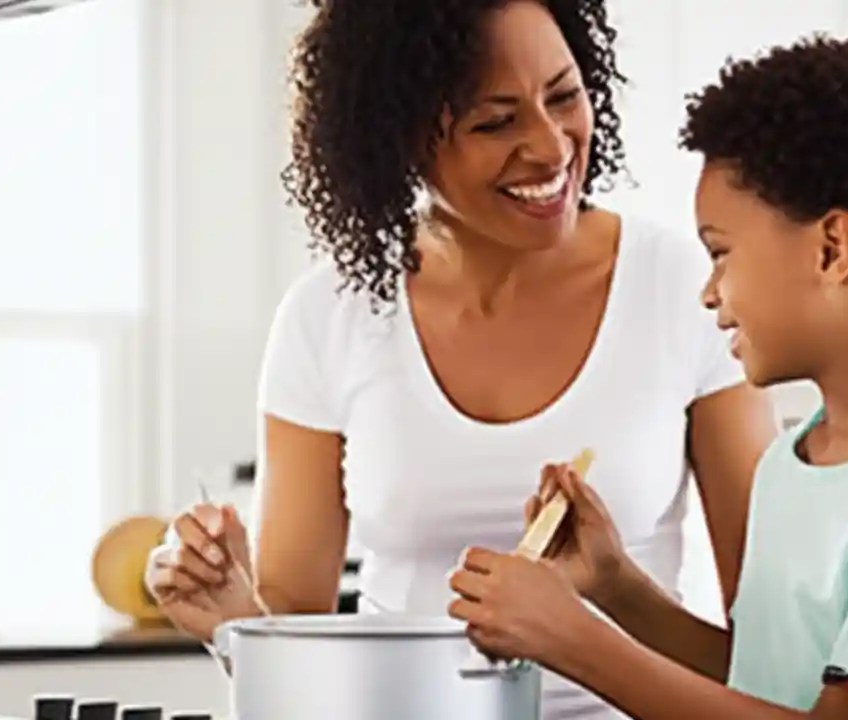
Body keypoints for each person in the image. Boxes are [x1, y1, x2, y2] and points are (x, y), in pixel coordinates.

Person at [143, 0, 777, 717]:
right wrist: (235, 622)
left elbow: (768, 654)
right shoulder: (328, 316)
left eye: (564, 96)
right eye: (495, 122)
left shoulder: (691, 288)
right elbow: (296, 639)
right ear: (400, 139)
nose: (551, 147)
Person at [448, 35, 848, 719]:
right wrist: (614, 587)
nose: (708, 292)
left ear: (831, 248)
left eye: (721, 253)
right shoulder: (793, 460)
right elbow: (764, 681)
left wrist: (574, 642)